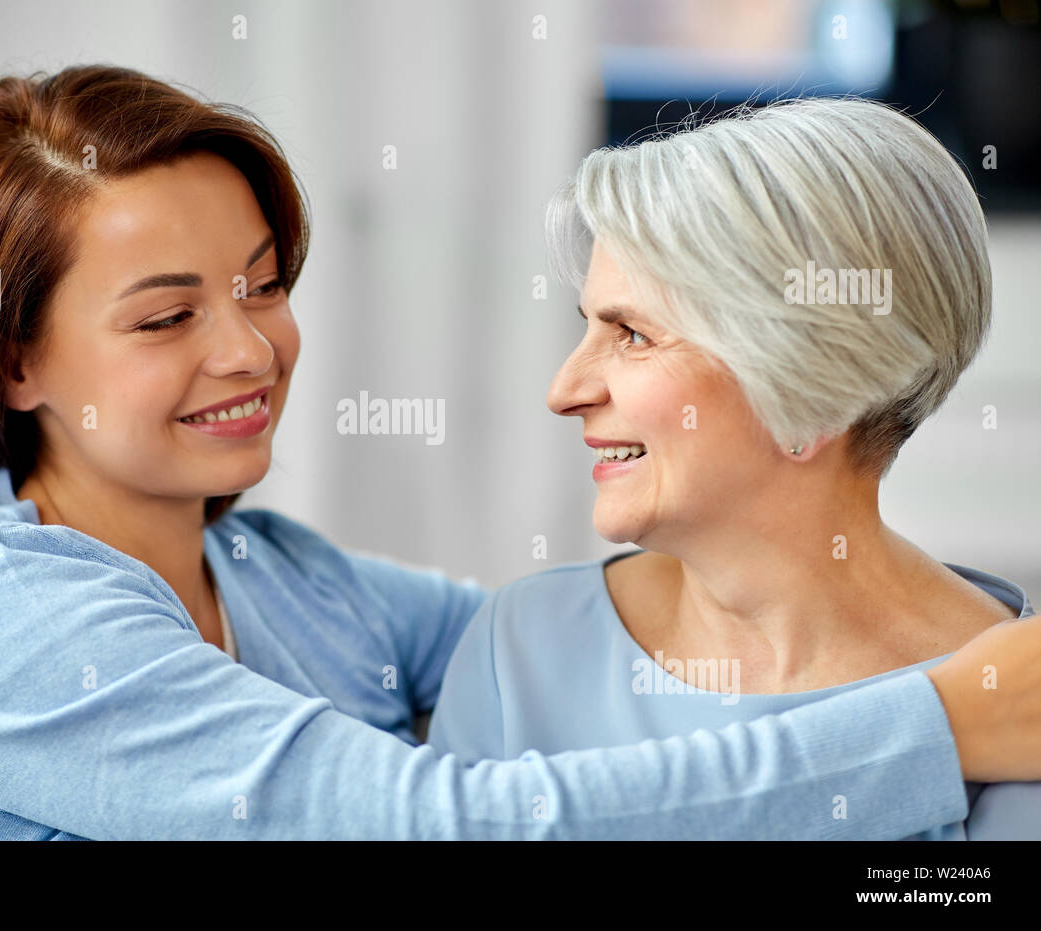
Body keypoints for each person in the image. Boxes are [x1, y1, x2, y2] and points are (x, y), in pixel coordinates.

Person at [0, 68, 1041, 839]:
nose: (249, 349)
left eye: (262, 284)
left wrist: (893, 605)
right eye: (165, 317)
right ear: (13, 364)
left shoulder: (288, 580)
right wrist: (939, 720)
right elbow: (442, 828)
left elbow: (581, 643)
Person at [428, 97, 1041, 839]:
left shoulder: (1018, 707)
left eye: (632, 335)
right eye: (587, 324)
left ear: (810, 395)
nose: (563, 392)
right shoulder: (522, 646)